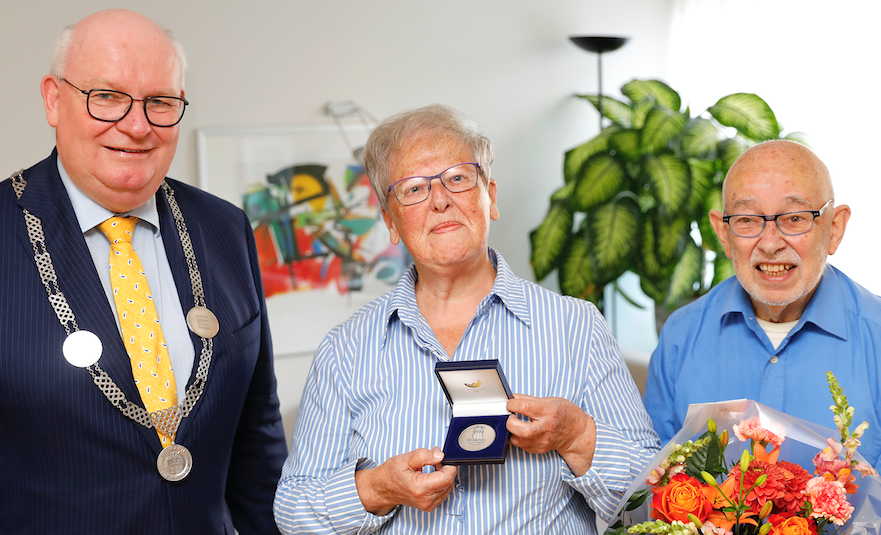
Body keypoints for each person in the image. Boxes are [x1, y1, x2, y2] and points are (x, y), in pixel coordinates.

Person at [273, 104, 659, 534]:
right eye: (414, 188)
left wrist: (578, 437)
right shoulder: (344, 349)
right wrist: (376, 489)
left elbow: (653, 499)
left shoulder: (576, 327)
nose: (440, 200)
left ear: (490, 195)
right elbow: (292, 512)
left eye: (457, 178)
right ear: (390, 221)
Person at [0, 9, 287, 534]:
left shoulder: (225, 227)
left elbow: (258, 440)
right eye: (107, 96)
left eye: (159, 102)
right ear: (53, 99)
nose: (137, 126)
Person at [642, 140, 881, 469]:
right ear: (723, 233)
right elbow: (652, 479)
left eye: (795, 218)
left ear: (835, 228)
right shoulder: (680, 336)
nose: (769, 243)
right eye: (746, 220)